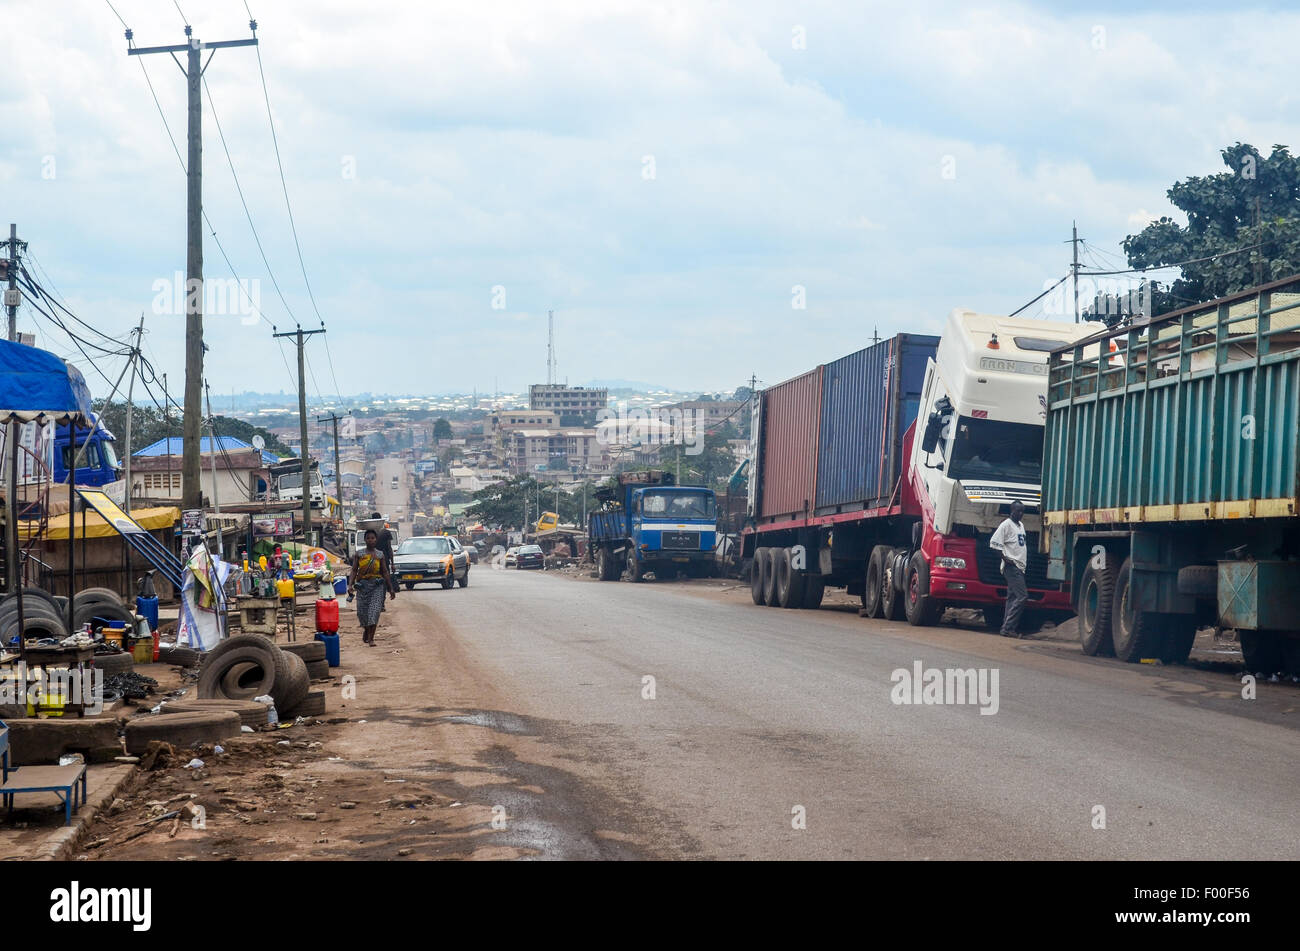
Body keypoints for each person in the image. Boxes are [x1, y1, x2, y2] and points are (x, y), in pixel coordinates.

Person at [348, 528, 397, 645]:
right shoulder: (359, 554)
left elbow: (385, 571)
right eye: (368, 538)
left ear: (376, 540)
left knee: (374, 611)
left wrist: (391, 588)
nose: (371, 540)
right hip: (362, 586)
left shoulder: (380, 554)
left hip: (377, 586)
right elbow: (354, 570)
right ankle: (366, 629)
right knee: (362, 613)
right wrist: (350, 585)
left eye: (373, 538)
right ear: (365, 540)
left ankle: (371, 638)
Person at [989, 500, 1028, 637]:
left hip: (1019, 567)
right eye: (1018, 510)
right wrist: (1005, 559)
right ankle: (1008, 628)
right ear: (1012, 511)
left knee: (1012, 598)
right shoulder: (1006, 525)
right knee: (1022, 596)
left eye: (1022, 511)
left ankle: (1006, 628)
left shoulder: (1021, 525)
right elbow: (994, 544)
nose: (1021, 513)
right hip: (1012, 567)